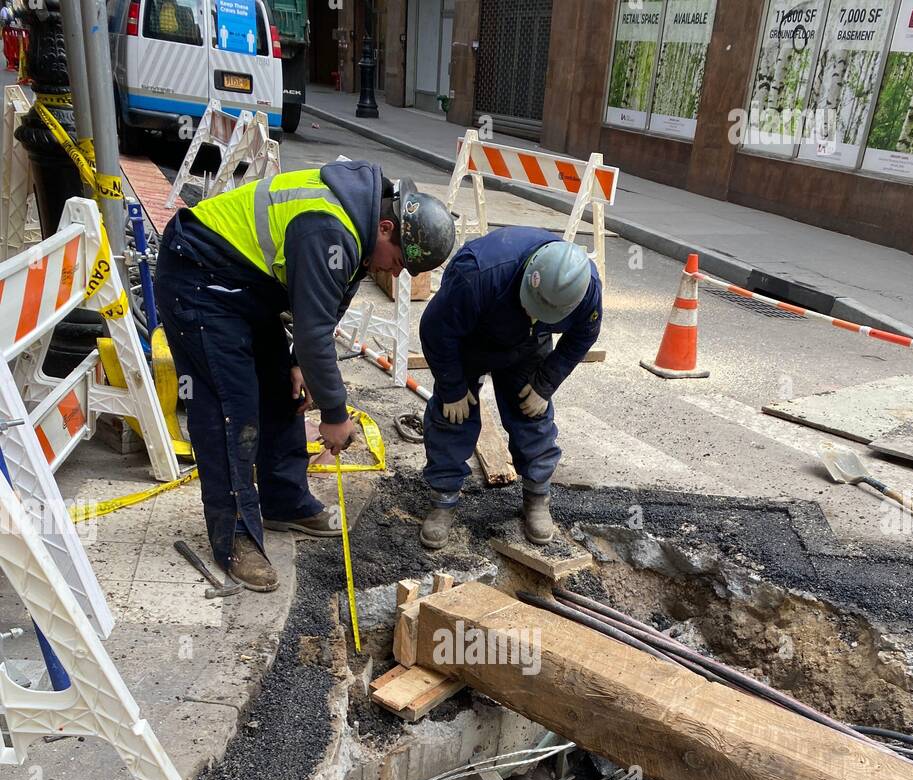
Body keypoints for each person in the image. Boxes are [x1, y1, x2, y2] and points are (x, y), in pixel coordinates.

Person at [155, 163, 454, 591]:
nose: (393, 272)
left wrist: (299, 362)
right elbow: (314, 330)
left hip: (242, 281)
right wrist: (335, 413)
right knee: (231, 409)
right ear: (386, 228)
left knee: (282, 386)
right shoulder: (329, 228)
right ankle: (234, 538)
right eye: (399, 261)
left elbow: (327, 304)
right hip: (199, 275)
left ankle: (284, 501)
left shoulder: (362, 225)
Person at [417, 229, 602, 549]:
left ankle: (537, 496)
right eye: (534, 305)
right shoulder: (477, 274)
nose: (534, 311)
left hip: (528, 345)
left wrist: (545, 384)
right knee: (452, 417)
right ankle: (443, 498)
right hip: (470, 340)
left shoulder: (585, 290)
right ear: (531, 275)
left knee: (532, 413)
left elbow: (583, 337)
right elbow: (436, 330)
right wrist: (452, 387)